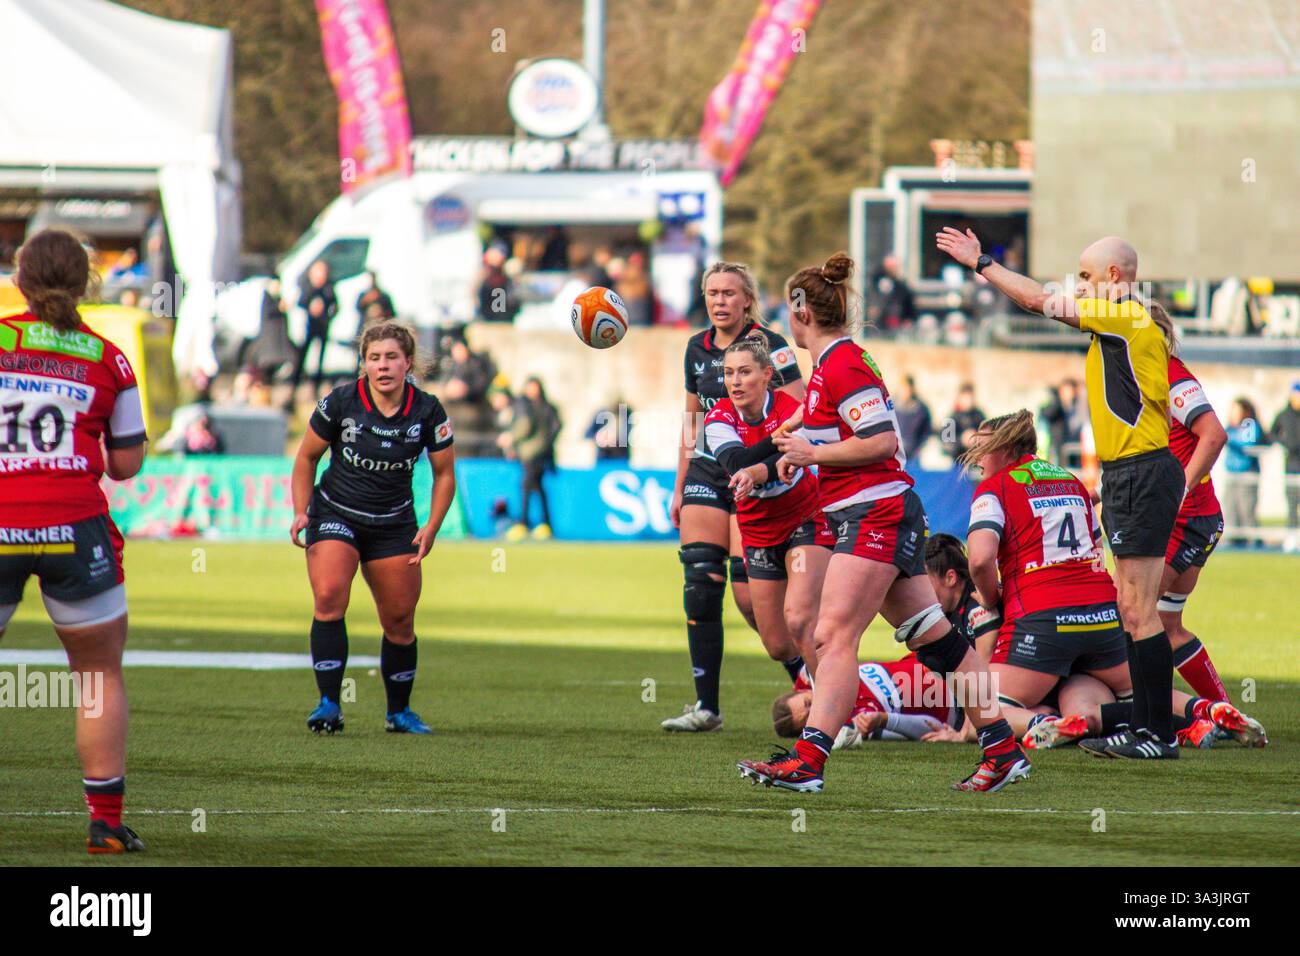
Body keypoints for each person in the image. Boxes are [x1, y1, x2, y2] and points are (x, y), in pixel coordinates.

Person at [738, 252, 1029, 793]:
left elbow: (881, 441)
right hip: (878, 511)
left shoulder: (843, 363)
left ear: (800, 314)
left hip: (875, 511)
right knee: (937, 639)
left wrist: (809, 454)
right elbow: (817, 429)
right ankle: (1004, 749)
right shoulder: (831, 366)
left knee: (831, 637)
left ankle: (809, 762)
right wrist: (778, 456)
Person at [937, 228, 1184, 759]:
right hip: (1129, 472)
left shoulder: (1124, 314)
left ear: (1115, 278)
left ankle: (1158, 734)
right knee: (1130, 606)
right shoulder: (1120, 326)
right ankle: (1146, 724)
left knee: (1140, 613)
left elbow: (1033, 299)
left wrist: (981, 262)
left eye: (1089, 276)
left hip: (1140, 471)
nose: (1081, 285)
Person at [0, 229, 148, 853]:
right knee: (96, 675)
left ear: (20, 278)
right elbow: (125, 465)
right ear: (88, 281)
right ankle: (106, 825)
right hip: (75, 526)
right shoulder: (109, 358)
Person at [290, 322, 457, 736]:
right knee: (329, 596)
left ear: (408, 363)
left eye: (392, 357)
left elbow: (445, 474)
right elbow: (306, 457)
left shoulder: (428, 410)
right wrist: (300, 510)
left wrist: (433, 526)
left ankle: (398, 712)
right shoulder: (340, 402)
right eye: (374, 358)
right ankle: (329, 703)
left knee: (399, 620)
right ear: (364, 363)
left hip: (394, 522)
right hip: (335, 513)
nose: (383, 366)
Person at [664, 261, 803, 732]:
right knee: (700, 584)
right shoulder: (695, 349)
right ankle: (707, 708)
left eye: (728, 293)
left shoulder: (774, 346)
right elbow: (691, 422)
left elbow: (803, 412)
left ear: (747, 300)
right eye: (711, 293)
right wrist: (680, 482)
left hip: (759, 470)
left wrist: (769, 461)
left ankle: (807, 681)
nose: (719, 301)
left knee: (749, 599)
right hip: (709, 467)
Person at [958, 410, 1133, 747]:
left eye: (984, 449)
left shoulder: (995, 488)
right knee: (1134, 696)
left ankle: (1042, 721)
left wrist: (991, 596)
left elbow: (980, 560)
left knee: (978, 705)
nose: (978, 459)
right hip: (1103, 618)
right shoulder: (1071, 481)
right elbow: (1097, 552)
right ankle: (1205, 711)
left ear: (1007, 449)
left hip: (1042, 621)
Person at [698, 335, 833, 691]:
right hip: (757, 531)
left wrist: (762, 468)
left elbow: (790, 457)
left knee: (801, 619)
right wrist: (780, 442)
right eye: (728, 373)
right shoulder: (719, 417)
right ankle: (824, 683)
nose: (735, 381)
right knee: (777, 644)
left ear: (766, 374)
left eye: (744, 372)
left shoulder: (788, 407)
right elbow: (737, 461)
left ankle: (839, 711)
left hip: (804, 518)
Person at [1158, 351, 1230, 702]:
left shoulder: (1168, 373)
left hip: (1185, 523)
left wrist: (1178, 491)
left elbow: (1214, 435)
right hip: (1191, 521)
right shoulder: (1141, 375)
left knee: (1129, 616)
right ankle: (1225, 713)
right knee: (1166, 626)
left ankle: (1152, 720)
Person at [923, 533, 1001, 655]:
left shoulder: (978, 606)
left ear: (950, 578)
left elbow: (984, 671)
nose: (922, 593)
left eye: (926, 584)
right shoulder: (946, 610)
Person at [505, 376, 561, 541]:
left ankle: (524, 523)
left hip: (537, 454)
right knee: (535, 487)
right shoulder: (526, 406)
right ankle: (542, 524)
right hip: (530, 454)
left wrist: (515, 442)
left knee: (528, 487)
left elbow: (527, 429)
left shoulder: (545, 408)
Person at [289, 259, 338, 403]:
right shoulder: (308, 288)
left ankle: (315, 387)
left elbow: (335, 306)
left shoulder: (328, 289)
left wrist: (328, 314)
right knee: (301, 358)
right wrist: (311, 308)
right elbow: (300, 304)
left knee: (320, 360)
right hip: (308, 329)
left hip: (323, 327)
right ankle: (294, 385)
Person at [1222, 398, 1266, 547]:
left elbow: (1247, 444)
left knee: (1247, 510)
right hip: (1232, 475)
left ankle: (1254, 543)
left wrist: (1229, 439)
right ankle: (1233, 542)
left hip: (1247, 474)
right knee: (1231, 509)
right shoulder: (1231, 427)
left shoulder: (1250, 425)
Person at [1270, 383, 1300, 531]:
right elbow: (1272, 434)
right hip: (1292, 466)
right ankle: (1292, 534)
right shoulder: (1284, 415)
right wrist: (1285, 443)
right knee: (1292, 502)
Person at [1039, 379, 1086, 467]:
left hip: (1064, 442)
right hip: (1055, 442)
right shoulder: (1056, 402)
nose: (1071, 394)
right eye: (1068, 391)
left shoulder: (1074, 404)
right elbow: (1047, 414)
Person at [940, 383, 985, 462]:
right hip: (956, 463)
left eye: (970, 397)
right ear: (959, 398)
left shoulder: (979, 416)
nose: (968, 401)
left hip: (976, 463)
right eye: (965, 398)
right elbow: (946, 445)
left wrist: (977, 439)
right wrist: (962, 440)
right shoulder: (951, 418)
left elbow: (989, 438)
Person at [892, 374, 932, 459]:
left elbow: (926, 432)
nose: (906, 391)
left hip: (914, 454)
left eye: (908, 387)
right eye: (903, 387)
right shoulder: (891, 406)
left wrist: (918, 449)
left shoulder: (921, 409)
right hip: (894, 452)